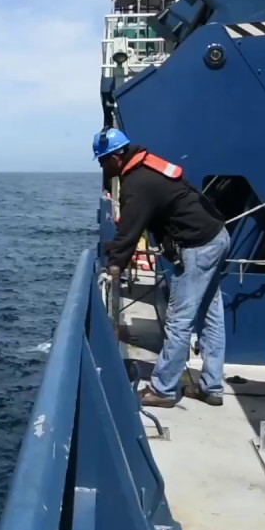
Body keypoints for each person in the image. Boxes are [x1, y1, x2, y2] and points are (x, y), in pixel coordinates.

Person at [93, 127, 231, 408]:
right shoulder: (148, 164)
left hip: (197, 247)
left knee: (180, 320)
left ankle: (164, 390)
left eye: (102, 161)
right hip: (217, 235)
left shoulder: (137, 183)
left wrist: (114, 262)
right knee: (211, 315)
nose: (103, 168)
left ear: (115, 158)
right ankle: (212, 387)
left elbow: (131, 228)